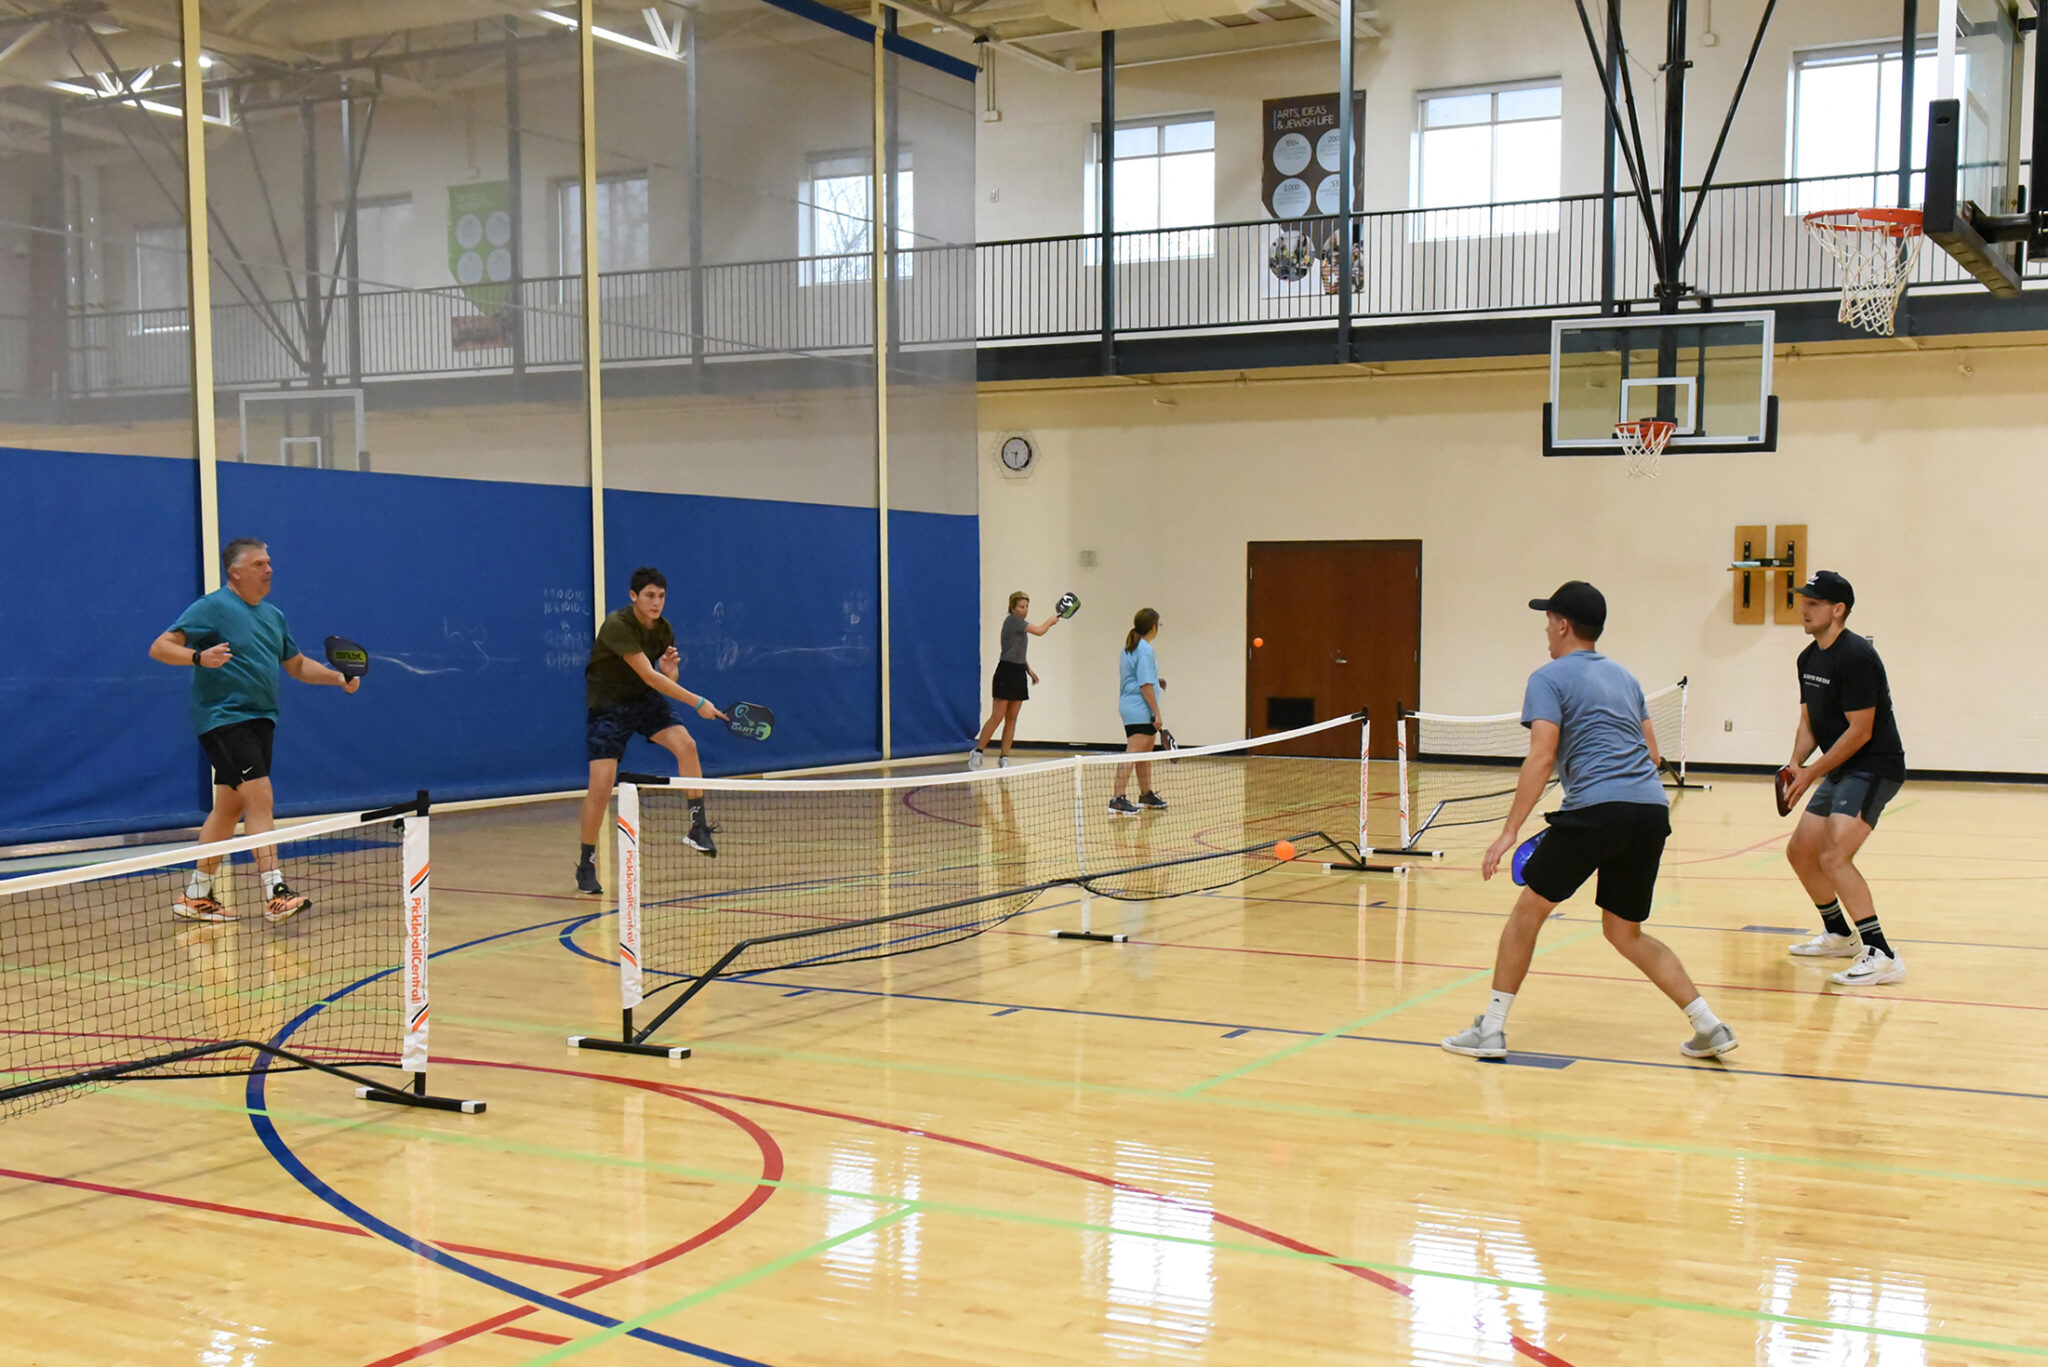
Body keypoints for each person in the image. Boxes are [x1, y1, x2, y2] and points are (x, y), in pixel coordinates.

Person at [1442, 582, 1735, 1061]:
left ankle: (1490, 1030)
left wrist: (1509, 831)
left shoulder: (1548, 677)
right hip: (1649, 811)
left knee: (1526, 915)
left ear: (1562, 625)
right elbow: (1654, 755)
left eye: (1548, 622)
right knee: (1625, 932)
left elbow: (1541, 757)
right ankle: (1709, 1024)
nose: (1546, 632)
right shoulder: (1625, 678)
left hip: (1597, 811)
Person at [149, 538, 360, 924]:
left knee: (230, 806)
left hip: (261, 719)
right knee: (260, 796)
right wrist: (198, 657)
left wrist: (338, 678)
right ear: (236, 572)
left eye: (269, 563)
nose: (269, 569)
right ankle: (275, 891)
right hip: (224, 718)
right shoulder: (212, 607)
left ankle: (196, 894)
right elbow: (160, 647)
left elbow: (295, 666)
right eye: (260, 563)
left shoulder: (273, 616)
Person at [1780, 570, 1908, 986]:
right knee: (1801, 851)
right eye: (1804, 600)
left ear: (1838, 610)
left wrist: (1813, 771)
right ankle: (1838, 934)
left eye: (1814, 603)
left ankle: (1881, 953)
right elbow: (1810, 721)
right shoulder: (1808, 658)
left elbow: (1861, 731)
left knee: (1834, 855)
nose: (1804, 608)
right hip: (1839, 765)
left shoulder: (1856, 657)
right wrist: (1795, 765)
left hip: (1875, 765)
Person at [577, 567, 728, 894]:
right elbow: (648, 675)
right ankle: (586, 862)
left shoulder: (663, 630)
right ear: (634, 596)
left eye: (660, 596)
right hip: (608, 705)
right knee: (601, 786)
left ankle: (697, 828)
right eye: (649, 596)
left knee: (686, 745)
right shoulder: (618, 625)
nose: (656, 602)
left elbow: (660, 680)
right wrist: (697, 701)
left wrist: (671, 673)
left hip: (643, 701)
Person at [969, 590, 1060, 770]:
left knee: (1012, 719)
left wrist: (1029, 669)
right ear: (1012, 608)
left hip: (1018, 672)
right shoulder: (1013, 620)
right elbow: (1040, 631)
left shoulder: (1020, 624)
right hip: (1006, 672)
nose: (1024, 610)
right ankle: (978, 752)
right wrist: (1050, 621)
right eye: (1021, 606)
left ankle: (1004, 757)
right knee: (997, 717)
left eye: (1027, 607)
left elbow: (1015, 650)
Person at [1108, 609, 1168, 818]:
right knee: (1133, 752)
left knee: (1144, 753)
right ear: (1153, 626)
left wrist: (1155, 679)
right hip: (1139, 707)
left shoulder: (1131, 647)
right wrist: (1157, 714)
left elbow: (1139, 677)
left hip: (1132, 704)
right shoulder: (1144, 649)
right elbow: (1143, 685)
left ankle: (1146, 794)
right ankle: (1117, 798)